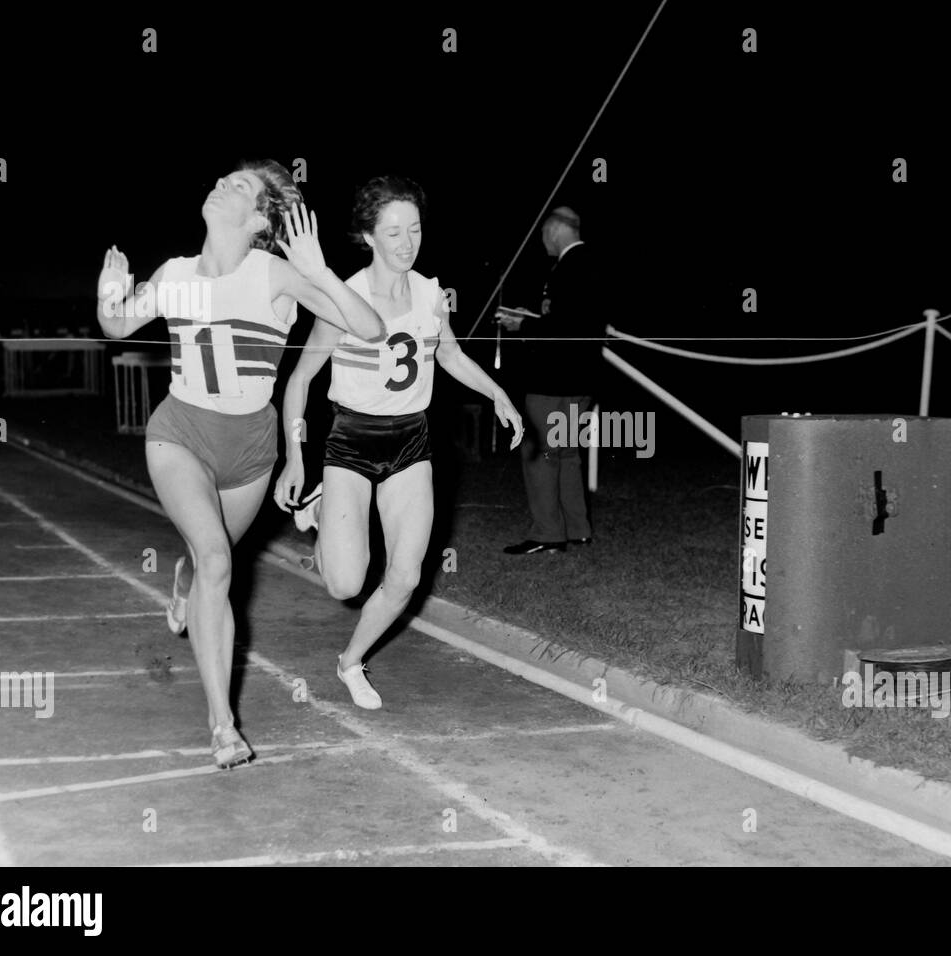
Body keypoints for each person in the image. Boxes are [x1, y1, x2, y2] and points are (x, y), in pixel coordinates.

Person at [96, 161, 384, 767]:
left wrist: (320, 272)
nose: (221, 184)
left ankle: (183, 577)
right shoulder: (176, 274)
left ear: (259, 219)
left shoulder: (273, 274)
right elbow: (116, 325)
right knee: (219, 560)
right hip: (180, 434)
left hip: (251, 452)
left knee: (207, 565)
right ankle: (222, 725)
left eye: (240, 187)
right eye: (223, 178)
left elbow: (370, 329)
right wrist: (110, 289)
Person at [274, 175, 523, 709]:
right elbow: (299, 380)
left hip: (411, 442)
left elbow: (450, 356)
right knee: (344, 584)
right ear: (368, 236)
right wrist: (295, 455)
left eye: (413, 229)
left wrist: (498, 392)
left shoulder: (432, 293)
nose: (407, 243)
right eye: (393, 232)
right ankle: (322, 511)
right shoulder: (343, 298)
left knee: (406, 575)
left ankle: (350, 661)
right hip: (350, 443)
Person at [498, 206, 604, 555]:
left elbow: (565, 329)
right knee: (568, 454)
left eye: (544, 235)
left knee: (541, 454)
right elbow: (574, 321)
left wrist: (522, 325)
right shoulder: (591, 263)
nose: (542, 242)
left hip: (553, 379)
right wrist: (533, 320)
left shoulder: (571, 267)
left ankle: (547, 533)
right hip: (581, 379)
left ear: (556, 231)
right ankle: (577, 529)